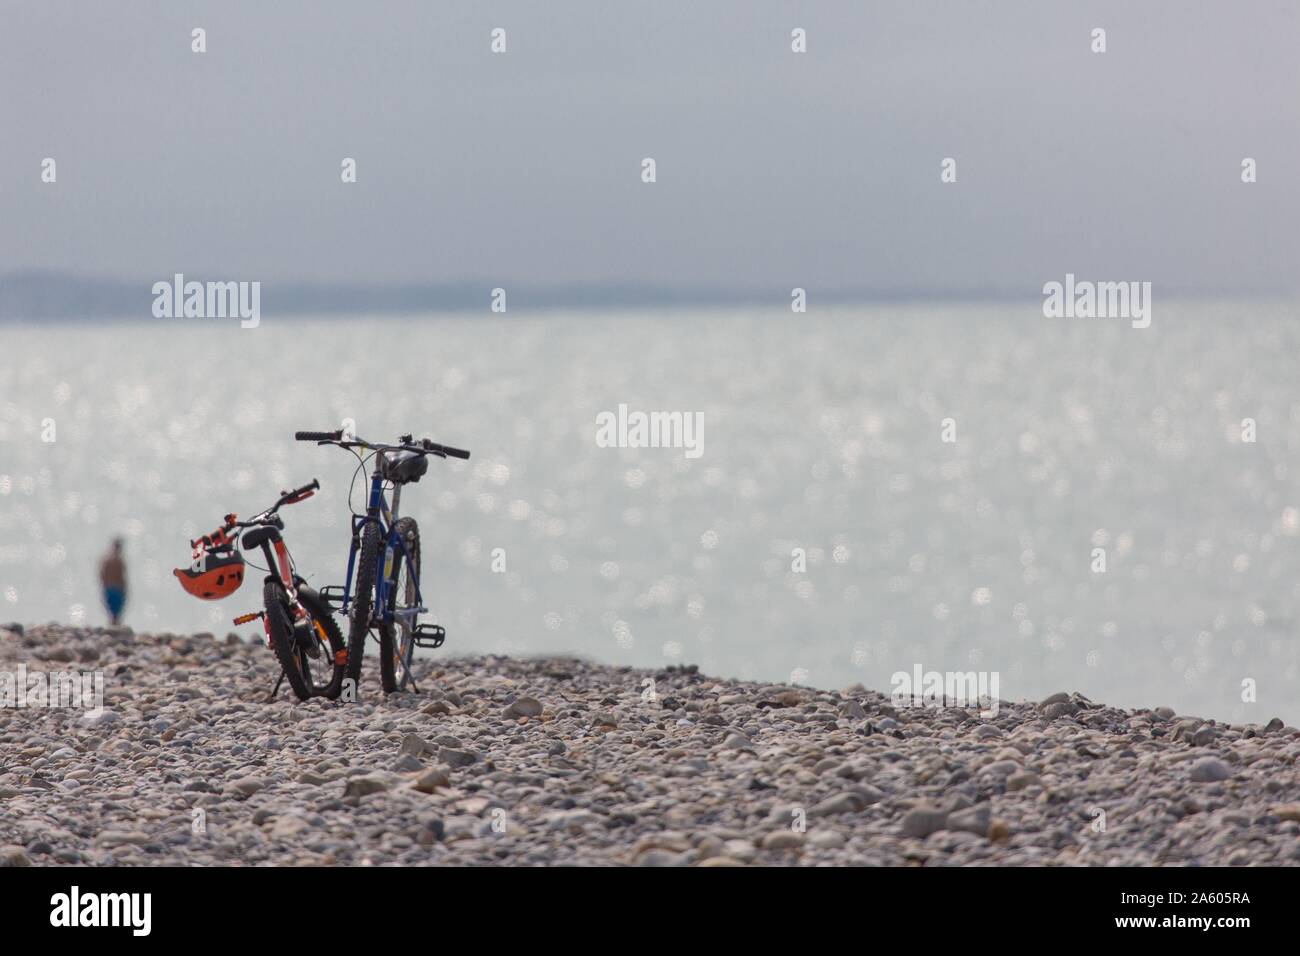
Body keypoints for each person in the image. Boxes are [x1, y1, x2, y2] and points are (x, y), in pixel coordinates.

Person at [99, 538, 127, 626]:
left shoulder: (106, 559)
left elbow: (102, 574)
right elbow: (122, 576)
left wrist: (104, 585)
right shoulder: (119, 561)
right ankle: (114, 626)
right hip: (117, 588)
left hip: (109, 588)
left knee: (111, 611)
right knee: (116, 613)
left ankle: (113, 626)